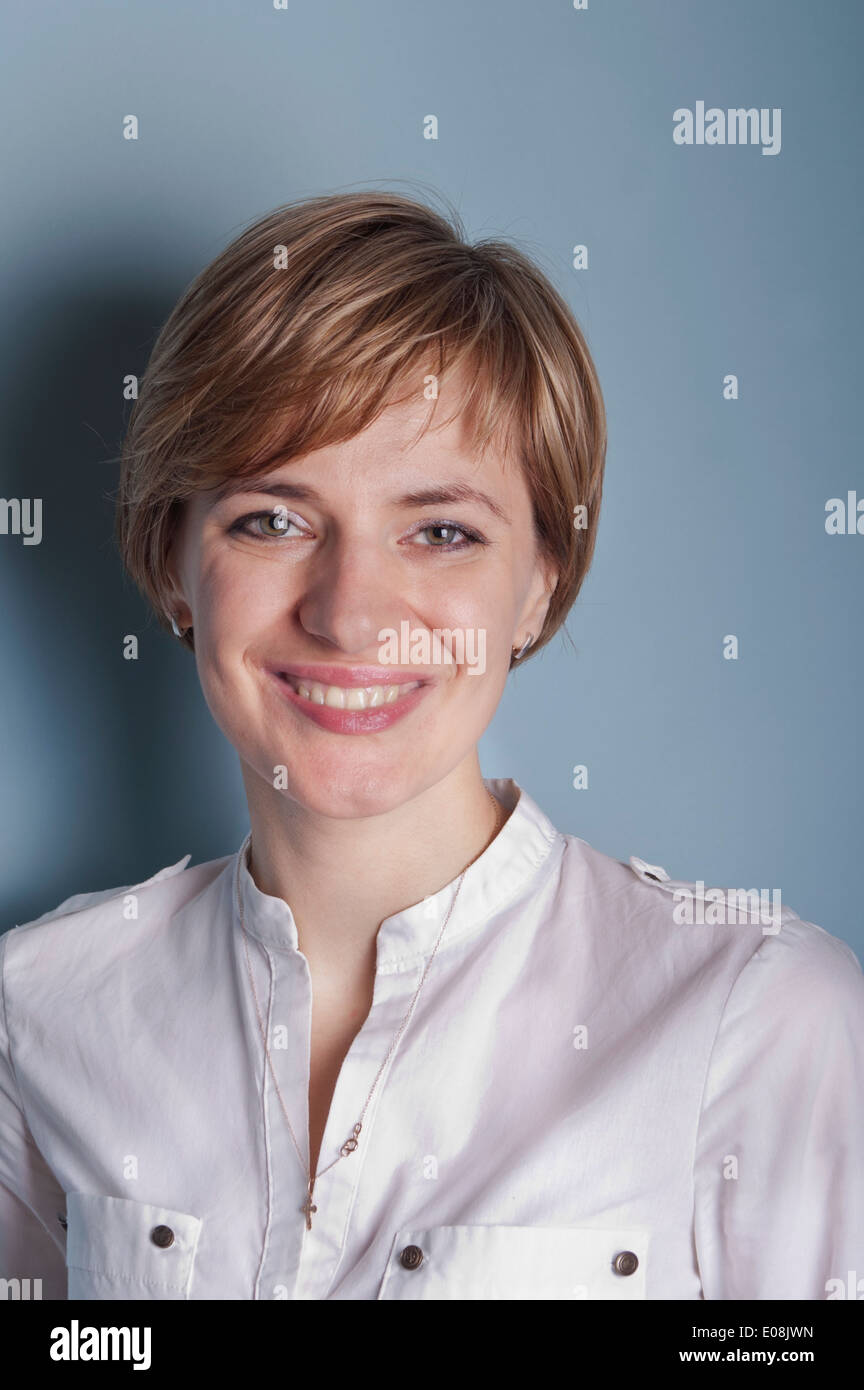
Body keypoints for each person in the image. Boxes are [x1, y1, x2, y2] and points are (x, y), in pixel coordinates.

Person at [1, 191, 862, 1301]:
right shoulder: (39, 1015)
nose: (353, 614)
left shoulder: (759, 1019)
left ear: (539, 583)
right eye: (273, 517)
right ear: (174, 560)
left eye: (442, 530)